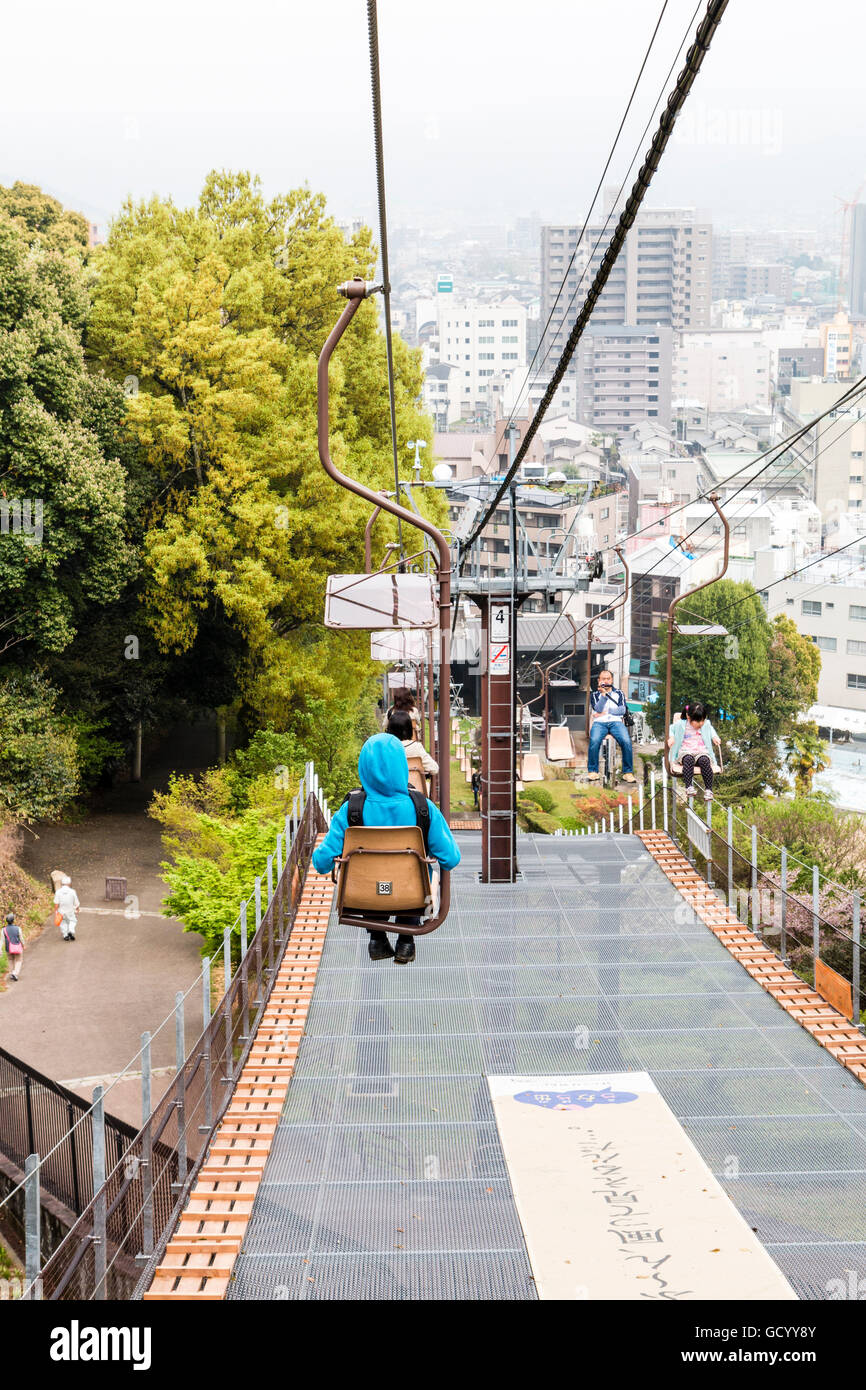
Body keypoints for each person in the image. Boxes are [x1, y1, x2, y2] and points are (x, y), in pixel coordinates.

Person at [312, 733, 460, 964]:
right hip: (413, 896)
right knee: (411, 882)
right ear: (402, 766)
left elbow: (321, 864)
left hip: (363, 897)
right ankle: (406, 937)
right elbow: (451, 858)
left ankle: (377, 937)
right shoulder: (423, 808)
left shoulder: (351, 810)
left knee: (372, 880)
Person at [587, 669, 636, 785]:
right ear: (599, 680)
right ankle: (593, 771)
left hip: (616, 722)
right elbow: (598, 709)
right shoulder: (594, 695)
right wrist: (603, 695)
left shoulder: (619, 693)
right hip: (600, 722)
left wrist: (607, 711)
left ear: (612, 680)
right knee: (594, 740)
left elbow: (622, 710)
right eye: (603, 679)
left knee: (626, 741)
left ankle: (628, 772)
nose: (606, 681)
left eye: (608, 678)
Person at [668, 700, 722, 801]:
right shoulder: (681, 724)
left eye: (702, 720)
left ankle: (708, 790)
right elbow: (671, 728)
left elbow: (711, 730)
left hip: (701, 751)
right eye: (698, 721)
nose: (700, 723)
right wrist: (671, 737)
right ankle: (689, 787)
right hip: (685, 751)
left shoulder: (706, 724)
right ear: (689, 718)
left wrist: (715, 737)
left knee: (705, 761)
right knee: (688, 760)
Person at [386, 709, 439, 777]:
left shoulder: (386, 747)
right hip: (414, 786)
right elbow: (434, 769)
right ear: (409, 729)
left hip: (392, 786)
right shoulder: (416, 747)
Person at [54, 874, 80, 941]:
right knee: (72, 921)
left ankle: (65, 935)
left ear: (62, 883)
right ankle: (71, 931)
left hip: (61, 911)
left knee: (63, 923)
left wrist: (56, 911)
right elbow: (76, 901)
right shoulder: (72, 891)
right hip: (70, 910)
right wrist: (77, 908)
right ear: (69, 883)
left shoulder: (58, 892)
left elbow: (56, 903)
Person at [2, 912, 24, 981]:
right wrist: (23, 945)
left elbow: (1, 940)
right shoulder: (18, 928)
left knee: (10, 960)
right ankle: (15, 973)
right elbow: (21, 938)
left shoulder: (3, 930)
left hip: (8, 948)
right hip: (17, 947)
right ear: (13, 920)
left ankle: (12, 973)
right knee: (19, 960)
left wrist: (0, 949)